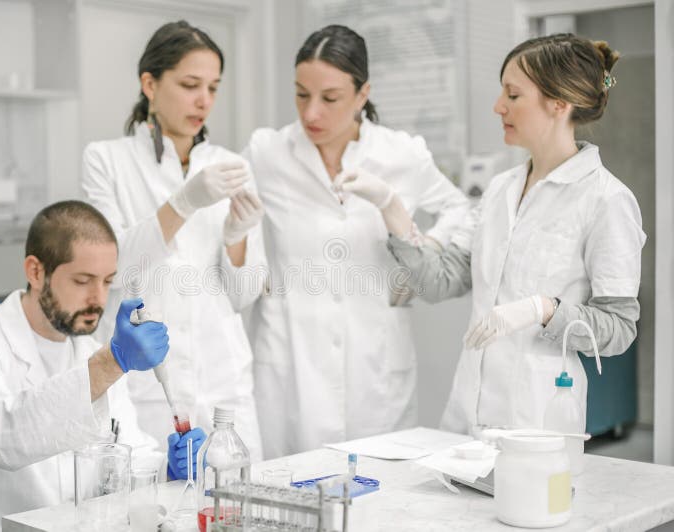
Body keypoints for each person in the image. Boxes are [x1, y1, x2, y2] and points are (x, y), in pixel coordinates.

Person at [383, 34, 645, 433]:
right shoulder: (500, 190)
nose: (498, 106)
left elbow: (618, 329)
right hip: (466, 416)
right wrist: (395, 215)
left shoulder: (606, 200)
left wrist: (543, 309)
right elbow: (442, 282)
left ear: (559, 103)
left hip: (539, 422)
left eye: (513, 95)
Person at [244, 25, 470, 458]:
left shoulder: (400, 154)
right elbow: (224, 217)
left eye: (329, 99)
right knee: (291, 500)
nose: (311, 113)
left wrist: (424, 253)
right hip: (291, 360)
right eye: (300, 94)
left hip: (375, 360)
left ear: (362, 94)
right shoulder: (267, 152)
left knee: (378, 494)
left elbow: (461, 209)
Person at [0, 201, 205, 532]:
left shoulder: (91, 352)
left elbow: (122, 462)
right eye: (83, 281)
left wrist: (167, 470)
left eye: (107, 281)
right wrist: (112, 363)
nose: (98, 299)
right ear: (36, 271)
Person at [82, 21, 266, 461]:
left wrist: (237, 239)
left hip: (223, 376)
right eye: (189, 84)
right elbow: (115, 270)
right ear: (150, 83)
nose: (203, 100)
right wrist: (183, 203)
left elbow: (242, 296)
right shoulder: (106, 160)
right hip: (145, 381)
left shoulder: (230, 165)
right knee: (147, 510)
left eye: (213, 87)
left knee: (236, 512)